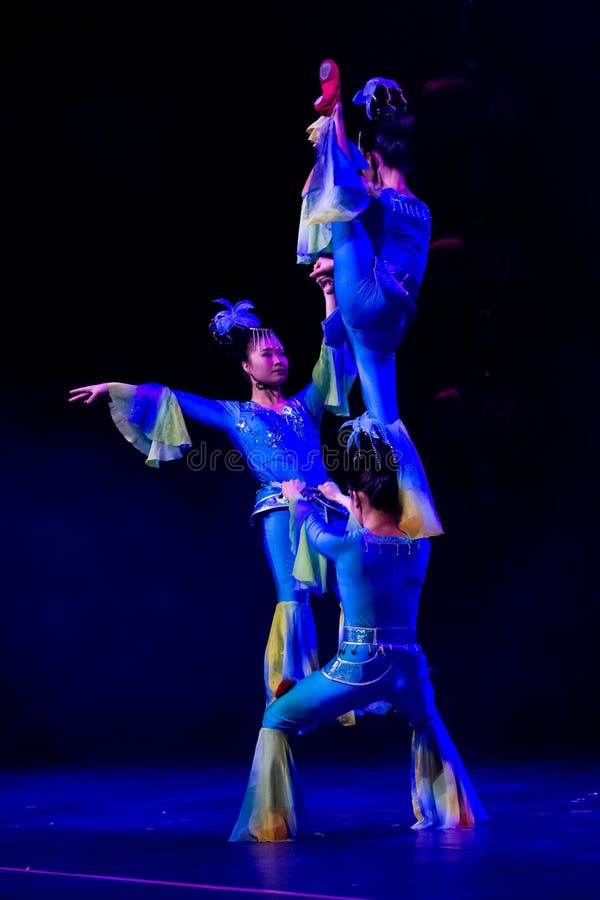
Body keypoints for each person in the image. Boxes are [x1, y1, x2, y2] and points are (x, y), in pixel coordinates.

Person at [68, 279, 357, 706]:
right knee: (292, 596)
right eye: (267, 354)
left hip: (328, 506)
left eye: (281, 352)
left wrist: (329, 295)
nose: (278, 359)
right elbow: (171, 396)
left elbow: (331, 357)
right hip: (281, 511)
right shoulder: (235, 414)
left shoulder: (306, 404)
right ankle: (292, 687)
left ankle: (362, 673)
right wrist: (115, 387)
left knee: (354, 586)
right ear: (246, 366)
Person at [229, 440, 488, 842]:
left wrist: (298, 497)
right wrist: (343, 499)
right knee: (426, 721)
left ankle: (273, 823)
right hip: (410, 672)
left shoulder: (349, 544)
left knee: (276, 717)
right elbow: (375, 529)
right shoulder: (420, 545)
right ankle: (452, 813)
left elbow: (310, 525)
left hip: (358, 669)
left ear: (358, 497)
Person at [297, 61, 443, 541]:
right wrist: (335, 273)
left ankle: (336, 108)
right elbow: (389, 261)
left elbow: (330, 190)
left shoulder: (372, 198)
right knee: (386, 418)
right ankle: (403, 520)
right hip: (390, 323)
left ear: (372, 153)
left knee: (340, 200)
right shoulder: (419, 208)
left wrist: (337, 132)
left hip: (371, 301)